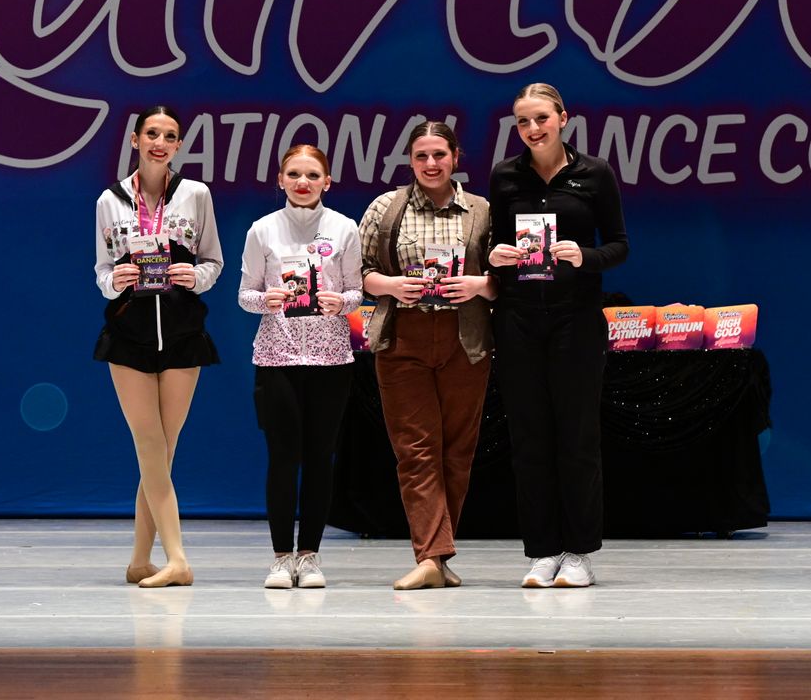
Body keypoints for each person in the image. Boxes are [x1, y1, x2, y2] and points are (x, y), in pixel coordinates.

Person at [488, 83, 629, 589]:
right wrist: (496, 257)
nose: (532, 129)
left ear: (564, 117)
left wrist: (583, 257)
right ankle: (541, 552)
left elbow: (619, 245)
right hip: (520, 318)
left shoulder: (595, 173)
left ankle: (579, 552)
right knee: (529, 439)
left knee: (577, 438)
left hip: (576, 318)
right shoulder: (505, 176)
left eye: (541, 118)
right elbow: (494, 244)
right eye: (523, 122)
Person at [358, 121, 496, 590]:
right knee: (415, 451)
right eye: (422, 156)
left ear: (456, 157)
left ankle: (436, 556)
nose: (431, 164)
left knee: (457, 451)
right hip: (403, 339)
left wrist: (480, 284)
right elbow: (361, 274)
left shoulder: (481, 211)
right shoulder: (386, 207)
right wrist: (394, 286)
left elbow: (508, 278)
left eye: (440, 154)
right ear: (410, 160)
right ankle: (432, 555)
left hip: (465, 339)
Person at [94, 106, 223, 588]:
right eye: (152, 133)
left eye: (169, 135)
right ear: (135, 139)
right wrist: (116, 280)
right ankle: (178, 559)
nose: (160, 142)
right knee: (149, 445)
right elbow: (101, 271)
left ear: (177, 144)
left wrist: (197, 276)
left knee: (162, 455)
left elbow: (214, 260)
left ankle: (138, 560)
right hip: (128, 335)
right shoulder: (109, 200)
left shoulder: (195, 194)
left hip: (184, 334)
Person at [238, 145, 362, 589]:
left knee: (319, 460)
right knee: (282, 458)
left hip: (331, 360)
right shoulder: (263, 230)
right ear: (281, 180)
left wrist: (338, 302)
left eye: (312, 174)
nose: (303, 182)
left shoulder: (344, 228)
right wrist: (266, 300)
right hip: (277, 358)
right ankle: (279, 557)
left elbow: (356, 291)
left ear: (327, 181)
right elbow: (245, 294)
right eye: (294, 174)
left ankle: (309, 556)